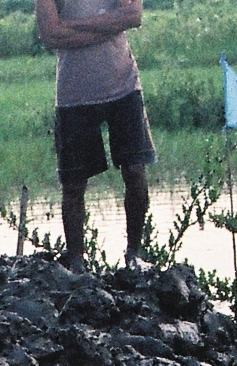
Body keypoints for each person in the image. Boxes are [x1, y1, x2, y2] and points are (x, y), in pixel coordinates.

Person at [35, 0, 154, 270]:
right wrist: (109, 25)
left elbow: (133, 15)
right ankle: (76, 260)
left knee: (135, 170)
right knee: (74, 183)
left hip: (123, 84)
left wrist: (73, 27)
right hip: (73, 94)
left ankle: (134, 252)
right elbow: (51, 34)